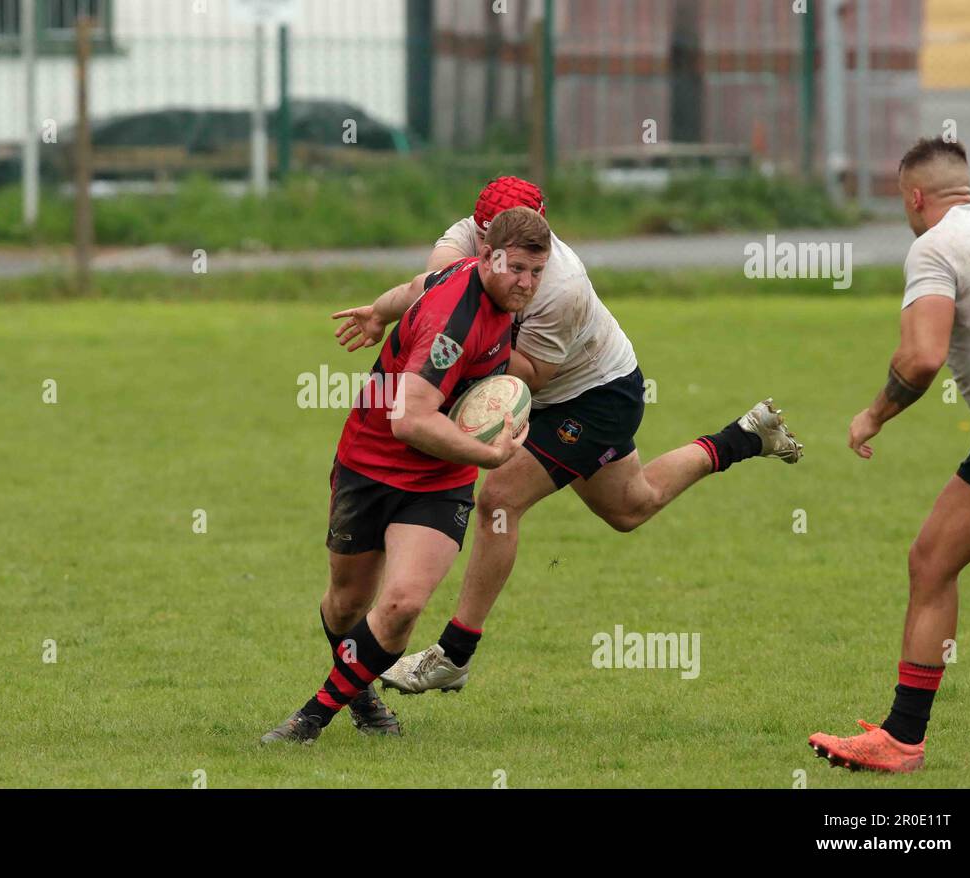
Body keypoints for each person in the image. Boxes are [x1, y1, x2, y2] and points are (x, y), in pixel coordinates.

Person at [333, 177, 802, 695]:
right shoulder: (476, 233)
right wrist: (383, 312)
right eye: (490, 242)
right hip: (551, 395)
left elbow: (531, 374)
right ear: (483, 230)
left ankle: (454, 654)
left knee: (499, 499)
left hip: (592, 396)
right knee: (629, 507)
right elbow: (437, 286)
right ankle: (743, 437)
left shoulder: (561, 287)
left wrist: (464, 343)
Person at [261, 207, 550, 744]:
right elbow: (409, 420)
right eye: (516, 270)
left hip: (439, 482)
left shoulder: (469, 279)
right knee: (348, 602)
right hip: (369, 463)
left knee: (401, 606)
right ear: (487, 258)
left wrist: (378, 311)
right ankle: (360, 688)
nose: (527, 284)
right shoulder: (453, 324)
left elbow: (415, 285)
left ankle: (311, 717)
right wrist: (489, 456)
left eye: (537, 272)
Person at [809, 137, 970, 773]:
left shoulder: (934, 245)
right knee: (932, 558)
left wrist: (872, 415)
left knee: (931, 563)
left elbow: (921, 357)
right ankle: (902, 736)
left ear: (914, 197)